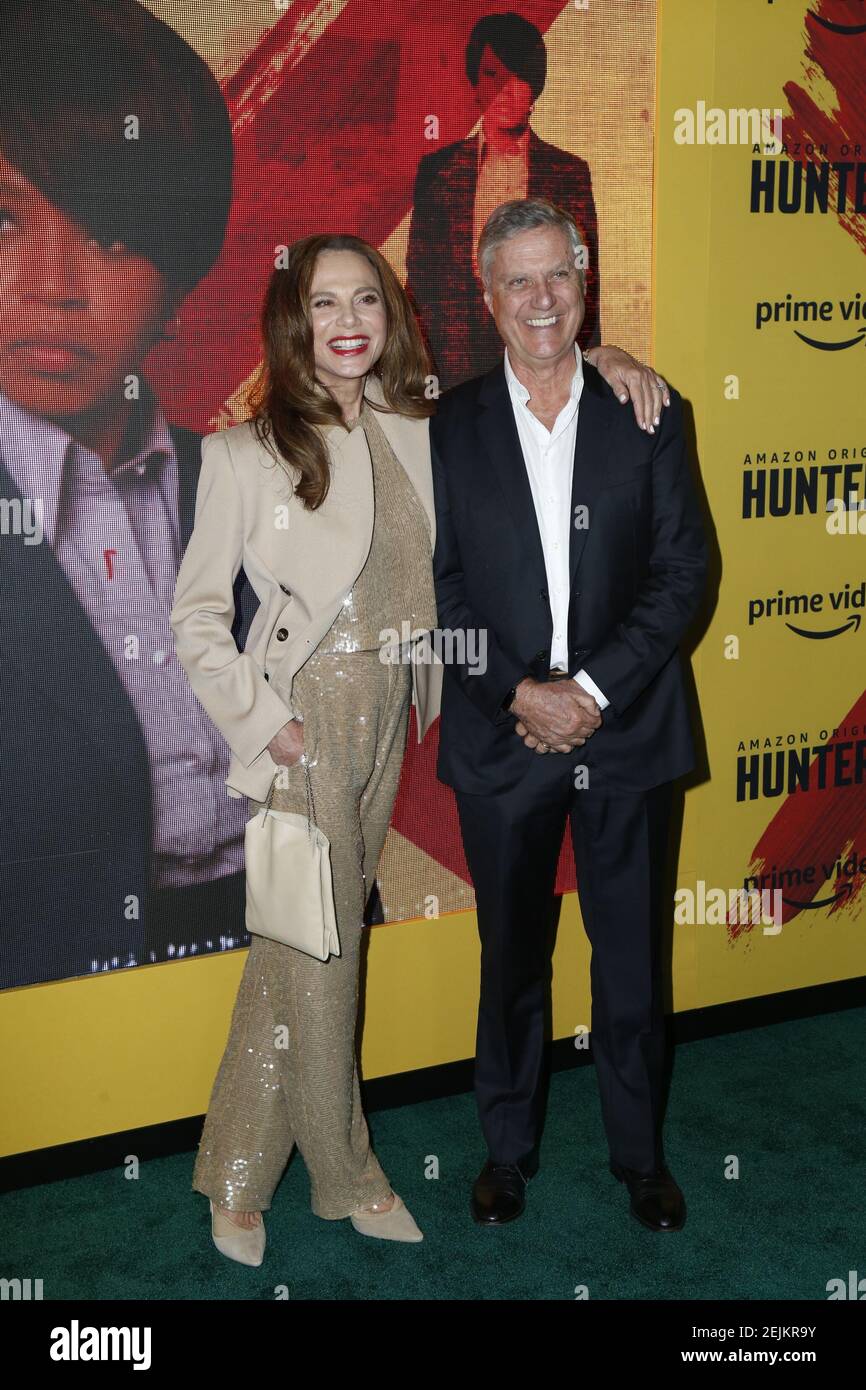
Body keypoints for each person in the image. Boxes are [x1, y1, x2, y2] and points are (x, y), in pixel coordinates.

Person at [170, 229, 670, 1264]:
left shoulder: (417, 428)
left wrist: (611, 360)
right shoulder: (241, 451)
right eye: (324, 303)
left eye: (366, 300)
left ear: (390, 317)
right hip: (303, 732)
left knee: (285, 951)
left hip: (392, 724)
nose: (348, 322)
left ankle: (231, 1175)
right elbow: (194, 618)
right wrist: (270, 724)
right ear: (293, 320)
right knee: (322, 953)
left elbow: (535, 404)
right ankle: (346, 1177)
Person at [430, 198, 708, 1232]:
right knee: (509, 956)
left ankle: (639, 1156)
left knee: (630, 953)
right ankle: (506, 1149)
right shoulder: (444, 427)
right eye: (519, 280)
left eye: (558, 274)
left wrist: (589, 694)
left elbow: (685, 573)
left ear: (582, 279)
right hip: (501, 731)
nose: (541, 298)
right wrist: (517, 692)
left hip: (625, 727)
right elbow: (437, 593)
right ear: (487, 294)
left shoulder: (646, 407)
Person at [0, 0, 252, 988]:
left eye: (109, 238)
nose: (53, 284)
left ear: (182, 277)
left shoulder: (248, 486)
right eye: (6, 218)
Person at [406, 10, 600, 392]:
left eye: (518, 76)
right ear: (475, 82)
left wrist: (586, 376)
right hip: (451, 370)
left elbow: (584, 282)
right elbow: (420, 281)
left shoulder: (568, 172)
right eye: (493, 75)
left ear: (535, 87)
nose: (504, 90)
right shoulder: (438, 169)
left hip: (542, 359)